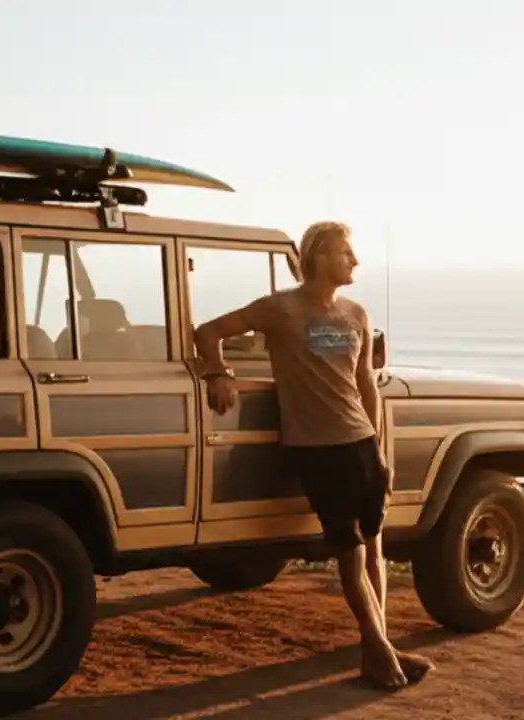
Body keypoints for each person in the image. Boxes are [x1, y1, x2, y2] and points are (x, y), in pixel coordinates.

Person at [193, 221, 434, 690]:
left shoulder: (356, 314)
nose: (355, 261)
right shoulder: (280, 309)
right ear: (320, 256)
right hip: (317, 448)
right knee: (349, 552)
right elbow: (209, 331)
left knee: (374, 549)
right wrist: (217, 373)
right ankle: (379, 647)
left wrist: (381, 450)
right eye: (346, 252)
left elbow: (366, 385)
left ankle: (377, 644)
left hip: (361, 442)